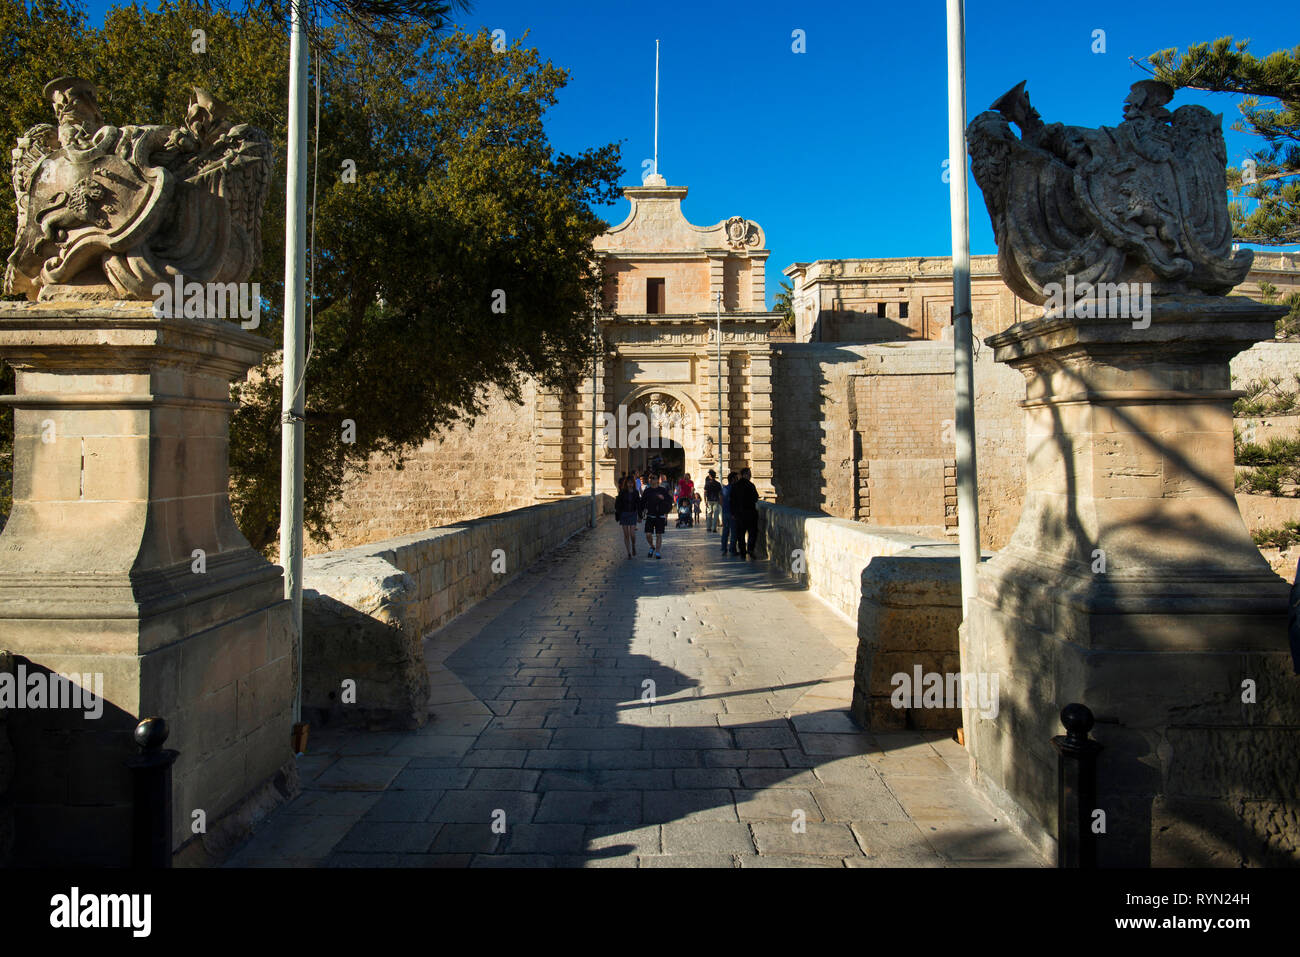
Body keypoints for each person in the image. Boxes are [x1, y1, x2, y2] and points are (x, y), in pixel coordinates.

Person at [641, 472, 673, 560]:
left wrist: (663, 498)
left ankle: (658, 551)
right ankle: (652, 546)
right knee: (648, 534)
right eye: (650, 478)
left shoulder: (662, 490)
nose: (651, 479)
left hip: (660, 516)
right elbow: (642, 503)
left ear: (657, 480)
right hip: (650, 515)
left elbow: (670, 500)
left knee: (659, 534)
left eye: (653, 478)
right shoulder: (647, 491)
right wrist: (640, 515)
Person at [731, 467, 759, 559]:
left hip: (739, 514)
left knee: (741, 534)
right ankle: (750, 549)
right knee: (752, 532)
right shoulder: (751, 485)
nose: (750, 475)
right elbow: (755, 498)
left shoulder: (735, 486)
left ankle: (742, 551)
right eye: (749, 474)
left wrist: (733, 513)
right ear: (745, 474)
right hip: (750, 513)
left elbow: (732, 501)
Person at [613, 475, 642, 559]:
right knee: (626, 535)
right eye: (629, 483)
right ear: (626, 483)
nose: (630, 484)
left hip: (633, 514)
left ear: (633, 483)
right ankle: (628, 552)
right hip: (624, 514)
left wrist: (640, 515)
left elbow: (638, 504)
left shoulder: (636, 492)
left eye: (631, 483)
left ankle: (633, 545)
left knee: (632, 534)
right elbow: (617, 503)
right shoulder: (622, 492)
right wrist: (619, 513)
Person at [719, 471, 737, 556]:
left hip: (725, 512)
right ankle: (732, 549)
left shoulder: (724, 488)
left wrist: (724, 509)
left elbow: (721, 500)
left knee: (725, 531)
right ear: (733, 479)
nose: (737, 479)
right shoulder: (735, 489)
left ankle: (724, 549)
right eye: (736, 478)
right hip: (732, 513)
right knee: (733, 532)